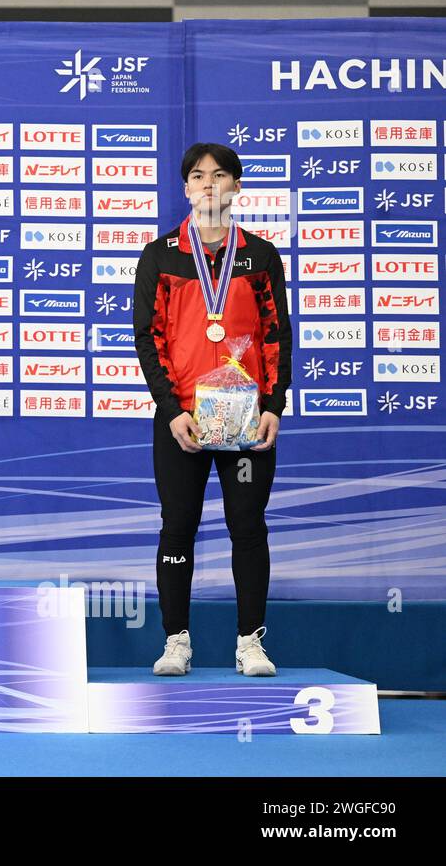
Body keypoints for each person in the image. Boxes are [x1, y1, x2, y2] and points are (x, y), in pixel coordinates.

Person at [133, 142, 292, 676]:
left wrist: (274, 404)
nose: (209, 184)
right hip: (183, 419)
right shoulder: (161, 255)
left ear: (237, 187)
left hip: (246, 419)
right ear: (185, 188)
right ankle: (176, 640)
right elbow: (148, 338)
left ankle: (251, 642)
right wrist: (171, 409)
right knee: (177, 525)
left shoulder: (261, 256)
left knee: (247, 526)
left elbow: (276, 336)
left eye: (220, 175)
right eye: (198, 176)